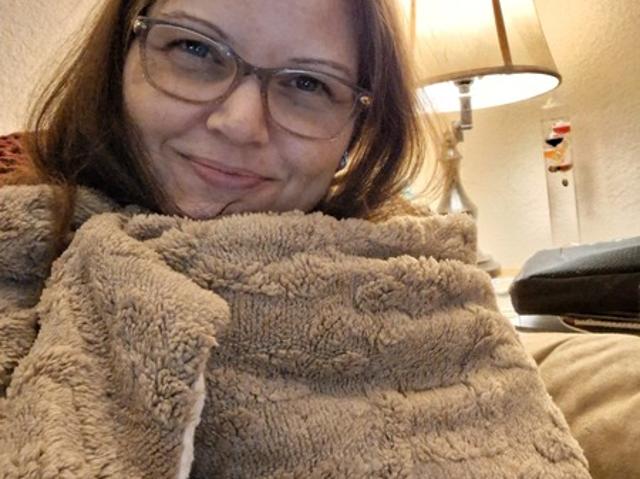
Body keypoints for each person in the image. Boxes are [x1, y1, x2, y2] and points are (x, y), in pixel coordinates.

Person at [0, 1, 591, 478]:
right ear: (119, 57)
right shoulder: (18, 262)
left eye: (308, 83)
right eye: (195, 49)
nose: (239, 124)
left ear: (358, 129)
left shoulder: (431, 303)